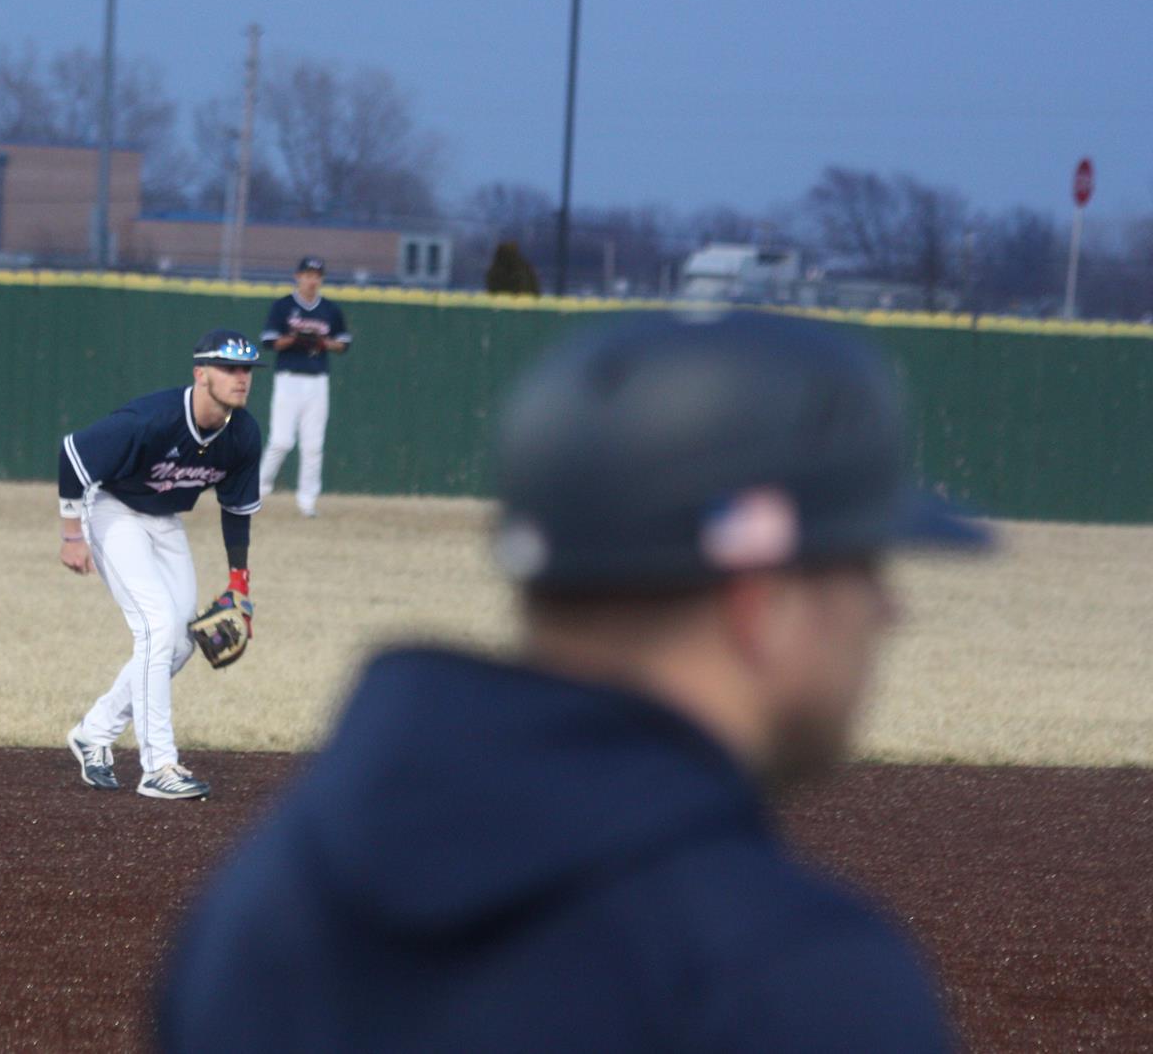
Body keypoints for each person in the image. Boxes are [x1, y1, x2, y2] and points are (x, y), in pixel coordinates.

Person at [161, 310, 989, 1051]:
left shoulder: (264, 906)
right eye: (862, 565)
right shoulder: (797, 978)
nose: (889, 609)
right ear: (760, 603)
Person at [60, 330, 264, 800]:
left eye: (246, 369)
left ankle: (94, 732)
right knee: (155, 626)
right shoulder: (152, 419)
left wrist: (239, 584)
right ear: (201, 373)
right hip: (110, 508)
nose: (241, 378)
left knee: (181, 641)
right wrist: (71, 535)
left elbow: (236, 511)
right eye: (229, 368)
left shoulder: (243, 434)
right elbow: (72, 454)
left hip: (164, 518)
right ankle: (158, 766)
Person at [258, 255, 351, 517]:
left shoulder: (329, 310)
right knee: (281, 441)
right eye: (307, 275)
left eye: (316, 276)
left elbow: (343, 344)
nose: (312, 280)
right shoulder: (283, 306)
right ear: (297, 276)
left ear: (321, 279)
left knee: (313, 446)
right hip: (288, 378)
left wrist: (323, 343)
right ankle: (256, 491)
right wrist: (295, 337)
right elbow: (269, 341)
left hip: (317, 380)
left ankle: (307, 503)